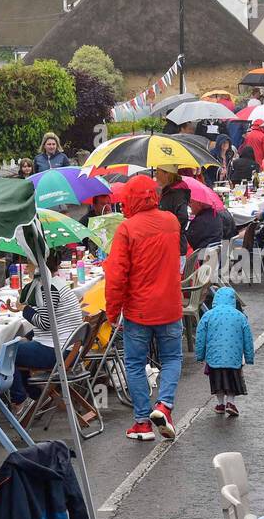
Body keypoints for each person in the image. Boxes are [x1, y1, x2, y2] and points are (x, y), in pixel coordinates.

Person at [105, 174, 184, 442]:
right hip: (170, 306)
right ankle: (164, 405)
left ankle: (141, 422)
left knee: (136, 364)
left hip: (138, 309)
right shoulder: (172, 222)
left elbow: (117, 275)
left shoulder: (127, 229)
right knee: (172, 358)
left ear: (129, 198)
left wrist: (112, 311)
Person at [8, 250, 87, 411]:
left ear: (37, 266)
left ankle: (21, 399)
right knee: (18, 346)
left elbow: (44, 323)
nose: (27, 268)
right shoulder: (55, 283)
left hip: (58, 351)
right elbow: (51, 318)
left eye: (29, 263)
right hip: (67, 348)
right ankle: (34, 395)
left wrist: (25, 309)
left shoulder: (49, 287)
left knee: (8, 352)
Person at [195, 286, 254, 418]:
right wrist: (249, 357)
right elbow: (248, 339)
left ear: (216, 300)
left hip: (214, 358)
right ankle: (231, 403)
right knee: (232, 381)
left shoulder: (208, 315)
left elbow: (200, 337)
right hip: (233, 358)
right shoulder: (241, 317)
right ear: (233, 300)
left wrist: (200, 355)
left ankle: (220, 404)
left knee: (217, 381)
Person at [155, 168, 192, 255]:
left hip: (175, 247)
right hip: (170, 245)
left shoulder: (177, 193)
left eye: (158, 172)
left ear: (167, 174)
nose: (156, 175)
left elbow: (183, 217)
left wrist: (168, 231)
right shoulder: (169, 191)